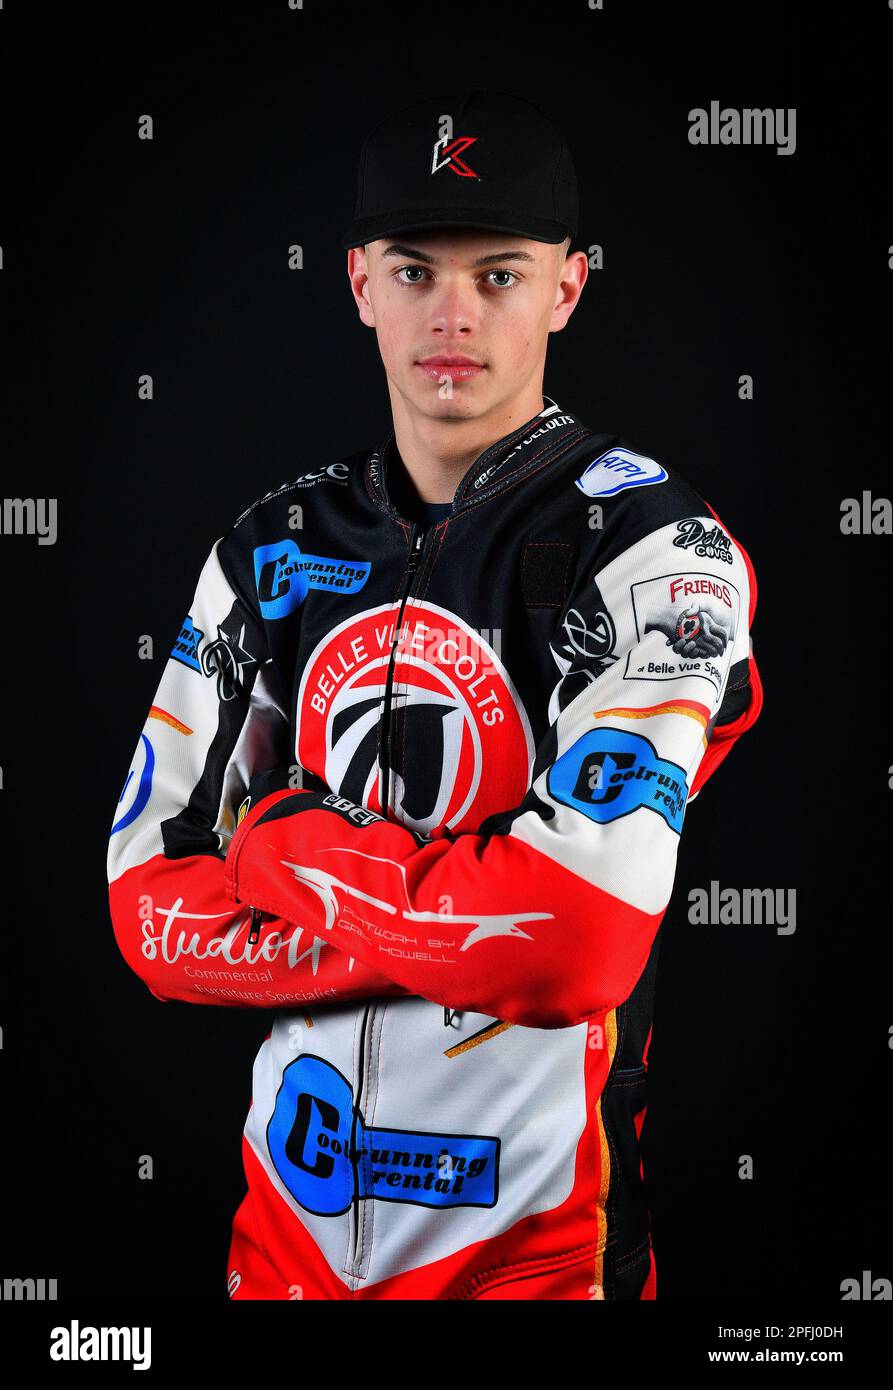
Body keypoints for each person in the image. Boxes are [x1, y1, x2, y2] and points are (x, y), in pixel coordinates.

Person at [107, 87, 764, 1301]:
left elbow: (573, 940)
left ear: (566, 288)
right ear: (358, 284)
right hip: (279, 1257)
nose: (450, 313)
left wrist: (279, 850)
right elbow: (146, 907)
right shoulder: (270, 545)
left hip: (535, 1265)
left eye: (499, 274)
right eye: (413, 269)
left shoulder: (657, 549)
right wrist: (449, 924)